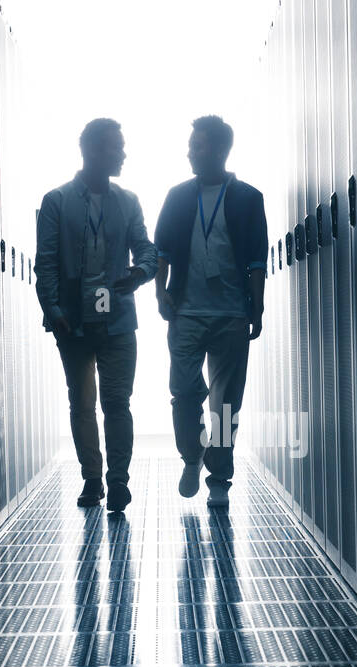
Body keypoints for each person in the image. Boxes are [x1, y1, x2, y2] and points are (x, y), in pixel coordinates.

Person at [36, 118, 157, 512]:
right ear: (89, 151)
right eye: (113, 147)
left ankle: (118, 481)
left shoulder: (129, 201)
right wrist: (53, 311)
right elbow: (47, 263)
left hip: (118, 319)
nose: (122, 154)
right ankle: (92, 479)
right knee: (82, 403)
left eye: (120, 147)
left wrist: (140, 273)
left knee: (117, 402)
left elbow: (146, 249)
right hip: (74, 320)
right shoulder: (57, 201)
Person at [154, 115, 268, 509]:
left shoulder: (248, 198)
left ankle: (219, 475)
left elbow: (256, 259)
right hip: (186, 311)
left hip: (232, 313)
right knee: (184, 391)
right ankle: (192, 456)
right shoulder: (177, 196)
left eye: (198, 145)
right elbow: (161, 251)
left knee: (225, 402)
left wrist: (258, 306)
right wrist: (160, 292)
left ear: (220, 150)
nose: (190, 150)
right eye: (191, 144)